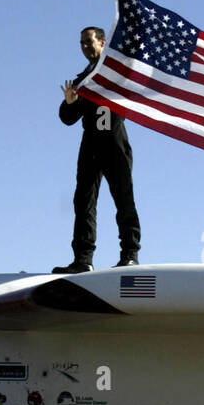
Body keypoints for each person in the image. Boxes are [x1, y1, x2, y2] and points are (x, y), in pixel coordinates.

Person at [53, 15, 140, 274]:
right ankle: (83, 259)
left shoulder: (115, 69)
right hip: (90, 143)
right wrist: (70, 102)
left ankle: (130, 254)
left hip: (114, 141)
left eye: (89, 42)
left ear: (103, 43)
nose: (85, 47)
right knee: (83, 201)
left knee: (123, 197)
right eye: (81, 43)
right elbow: (67, 118)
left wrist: (128, 9)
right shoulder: (82, 79)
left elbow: (131, 47)